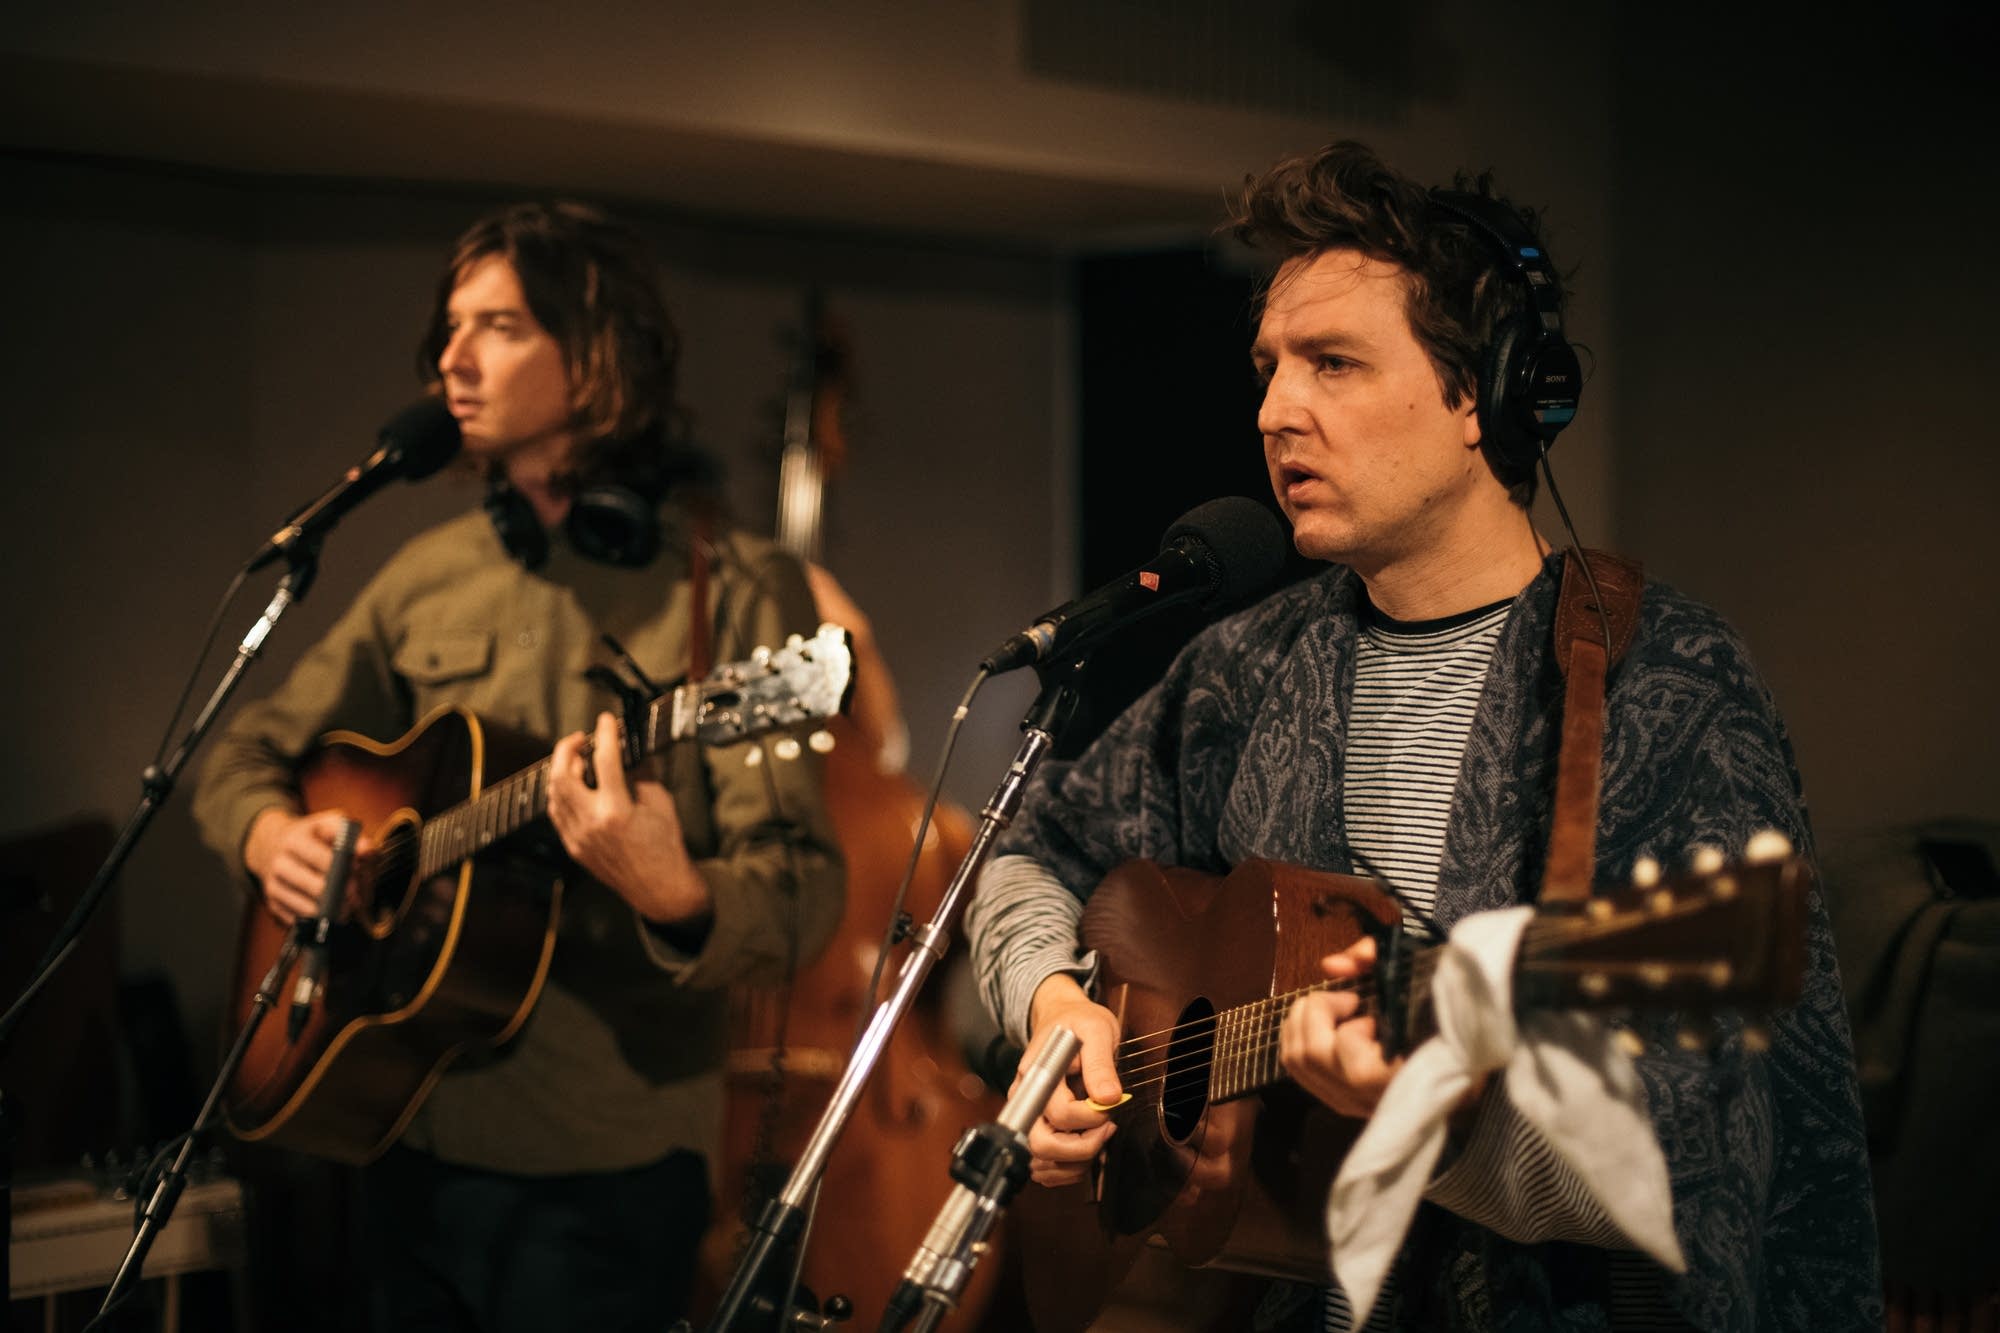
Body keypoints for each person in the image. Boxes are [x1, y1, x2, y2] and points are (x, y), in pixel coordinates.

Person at [966, 142, 1879, 1330]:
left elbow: (1700, 1140)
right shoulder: (1248, 667)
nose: (1273, 410)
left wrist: (1439, 1117)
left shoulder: (1664, 688)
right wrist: (1054, 1012)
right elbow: (1029, 849)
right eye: (1268, 368)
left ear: (1478, 395)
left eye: (1332, 363)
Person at [192, 201, 844, 1331]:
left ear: (597, 358)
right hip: (396, 1119)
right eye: (449, 327)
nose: (450, 358)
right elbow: (246, 749)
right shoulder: (425, 574)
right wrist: (270, 838)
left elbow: (801, 891)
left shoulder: (731, 591)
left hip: (604, 1161)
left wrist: (673, 891)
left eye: (495, 326)